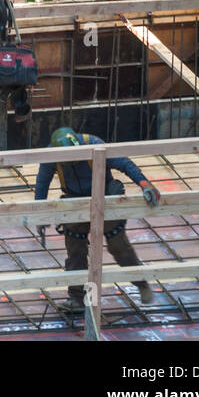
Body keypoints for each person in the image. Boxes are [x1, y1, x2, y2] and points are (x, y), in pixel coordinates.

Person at [35, 127, 162, 311]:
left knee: (119, 247)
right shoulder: (52, 155)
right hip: (76, 202)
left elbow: (125, 164)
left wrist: (144, 184)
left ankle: (142, 284)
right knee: (75, 253)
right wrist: (39, 213)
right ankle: (78, 298)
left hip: (103, 199)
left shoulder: (93, 144)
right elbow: (42, 181)